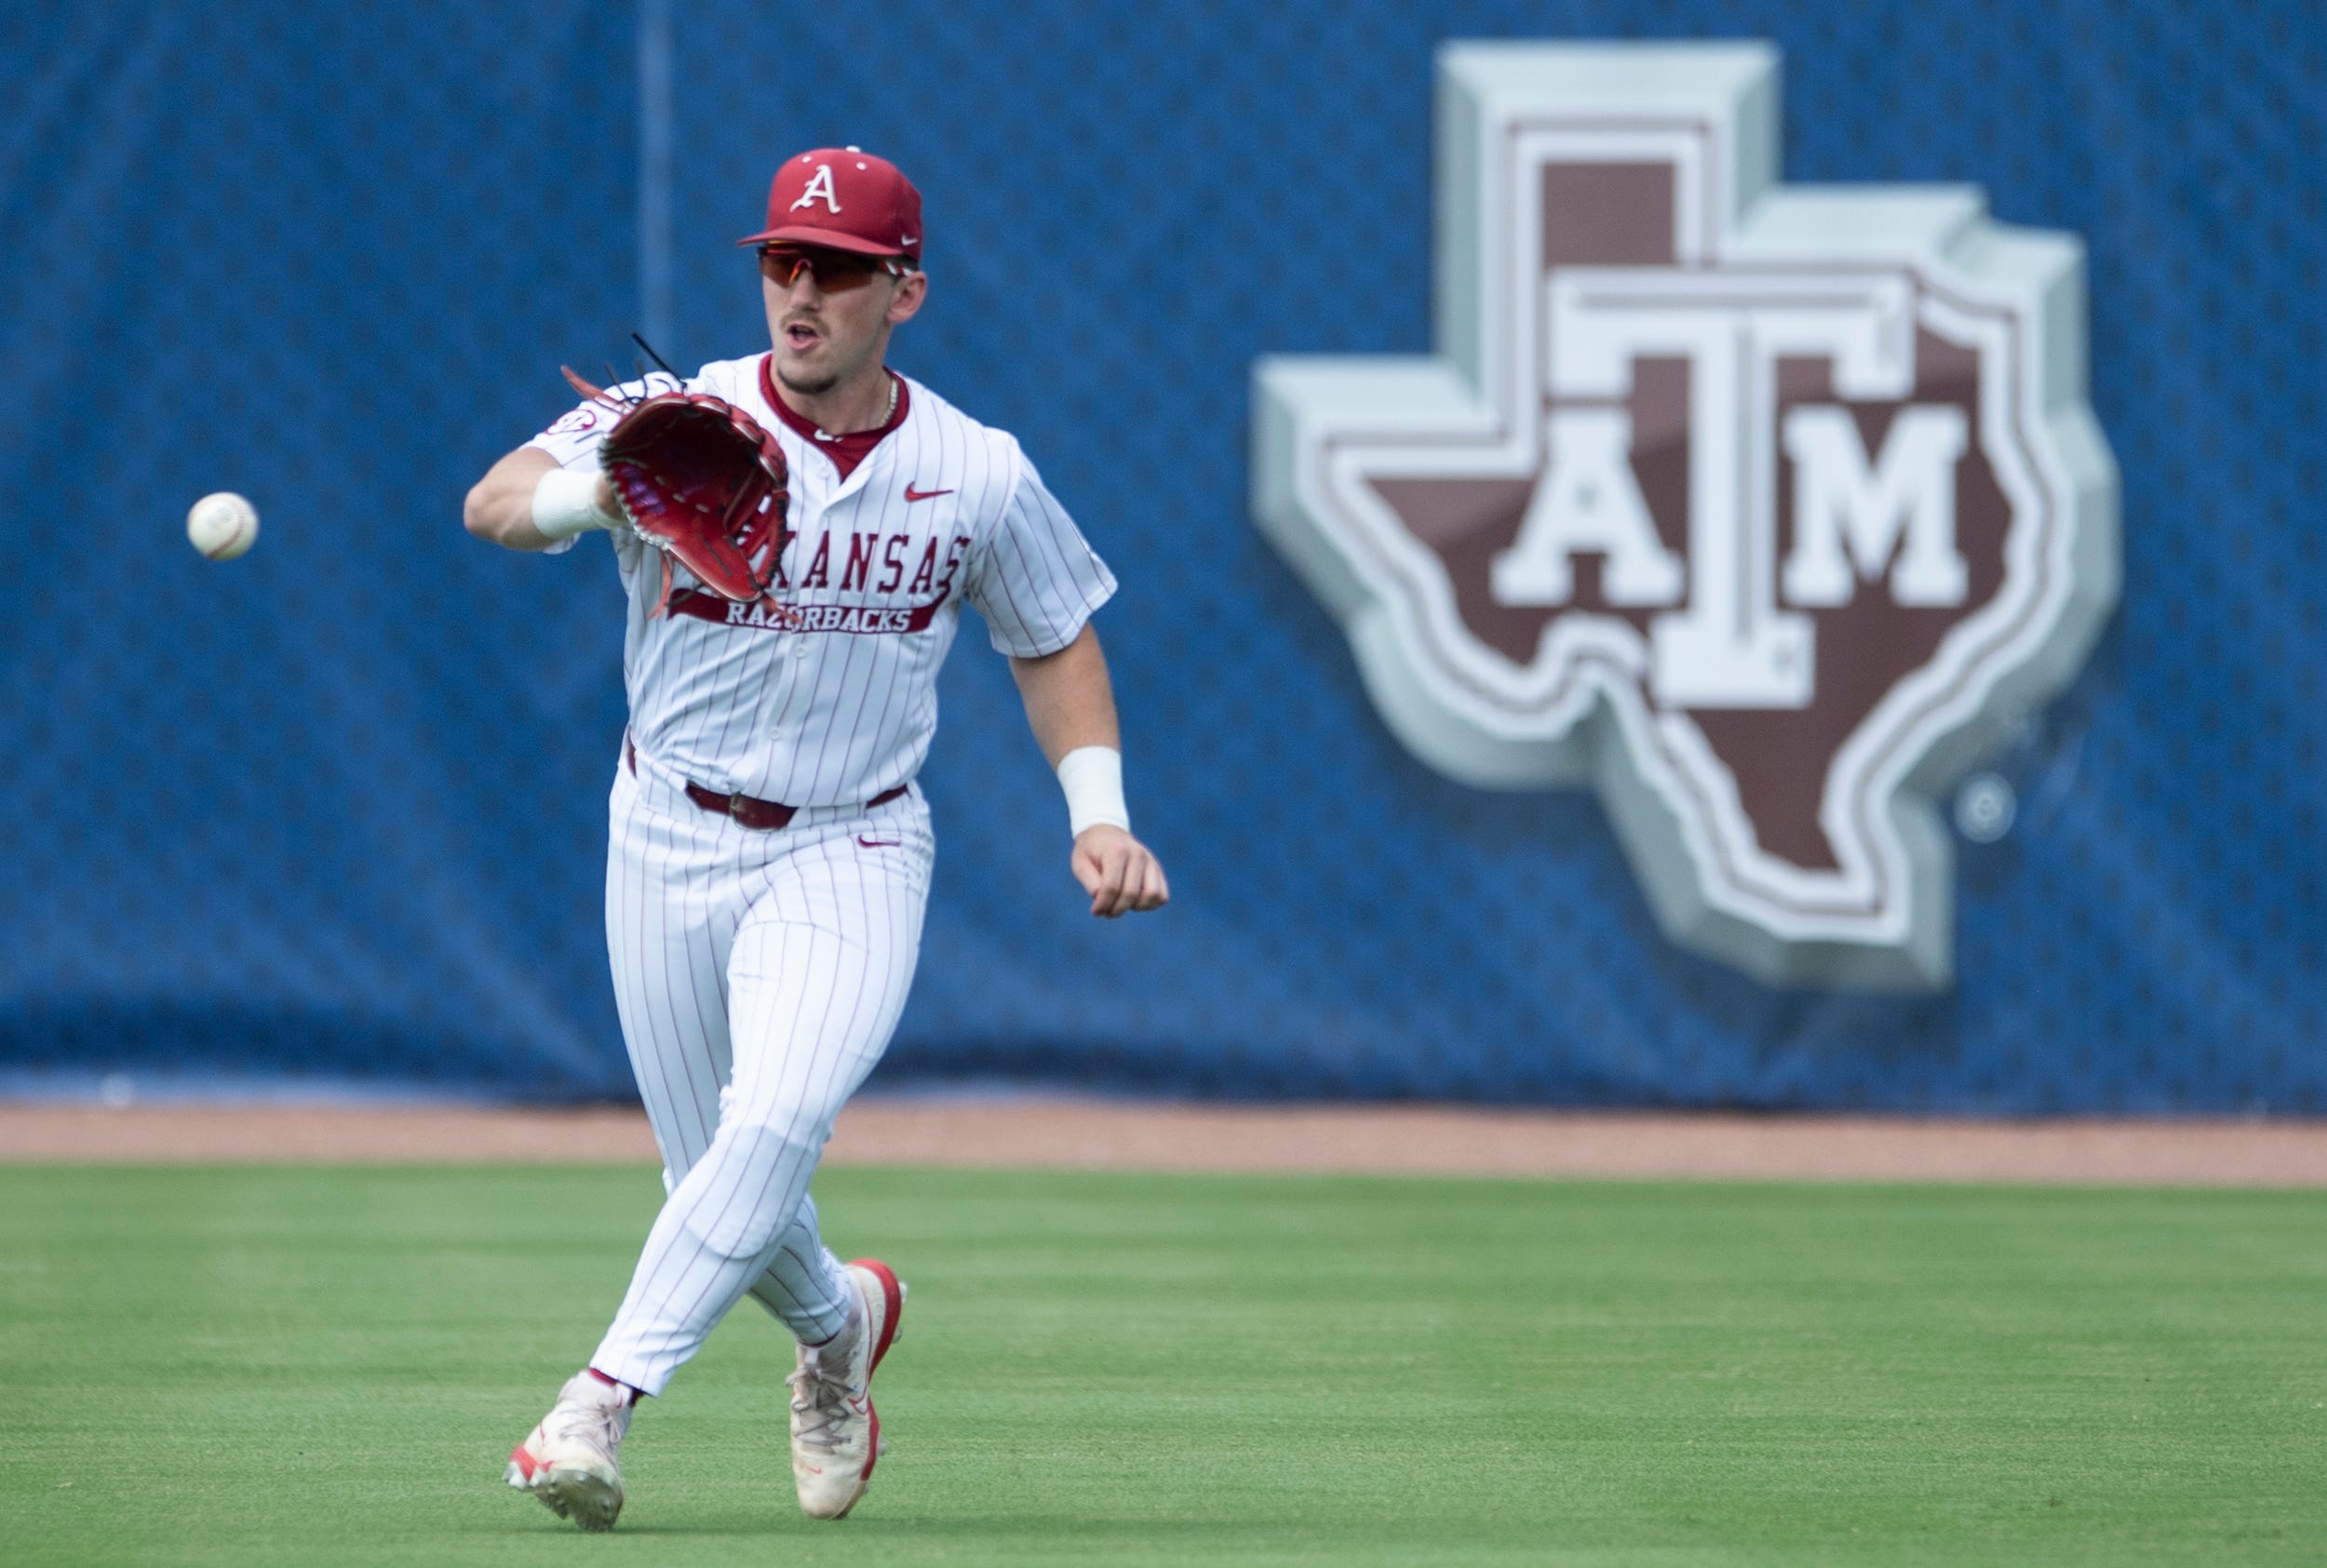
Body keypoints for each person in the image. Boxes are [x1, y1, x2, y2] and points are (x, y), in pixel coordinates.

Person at [462, 146, 1169, 1532]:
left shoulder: (975, 467)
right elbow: (492, 503)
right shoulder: (671, 409)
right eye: (784, 261)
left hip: (851, 843)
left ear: (902, 291)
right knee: (715, 1174)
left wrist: (1102, 818)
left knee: (776, 1119)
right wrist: (598, 491)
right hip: (663, 829)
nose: (802, 291)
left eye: (837, 271)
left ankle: (596, 1402)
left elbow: (1054, 635)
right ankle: (841, 1326)